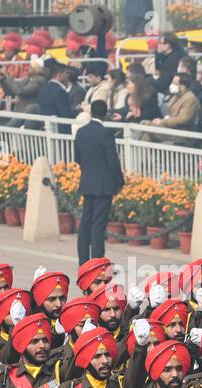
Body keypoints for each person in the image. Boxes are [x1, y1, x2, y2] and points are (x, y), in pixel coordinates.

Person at [74, 99, 124, 264]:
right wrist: (119, 181)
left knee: (85, 223)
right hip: (104, 185)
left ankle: (83, 260)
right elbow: (113, 161)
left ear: (91, 113)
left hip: (87, 182)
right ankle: (97, 260)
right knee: (98, 225)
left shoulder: (81, 132)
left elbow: (78, 158)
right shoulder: (106, 133)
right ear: (105, 114)